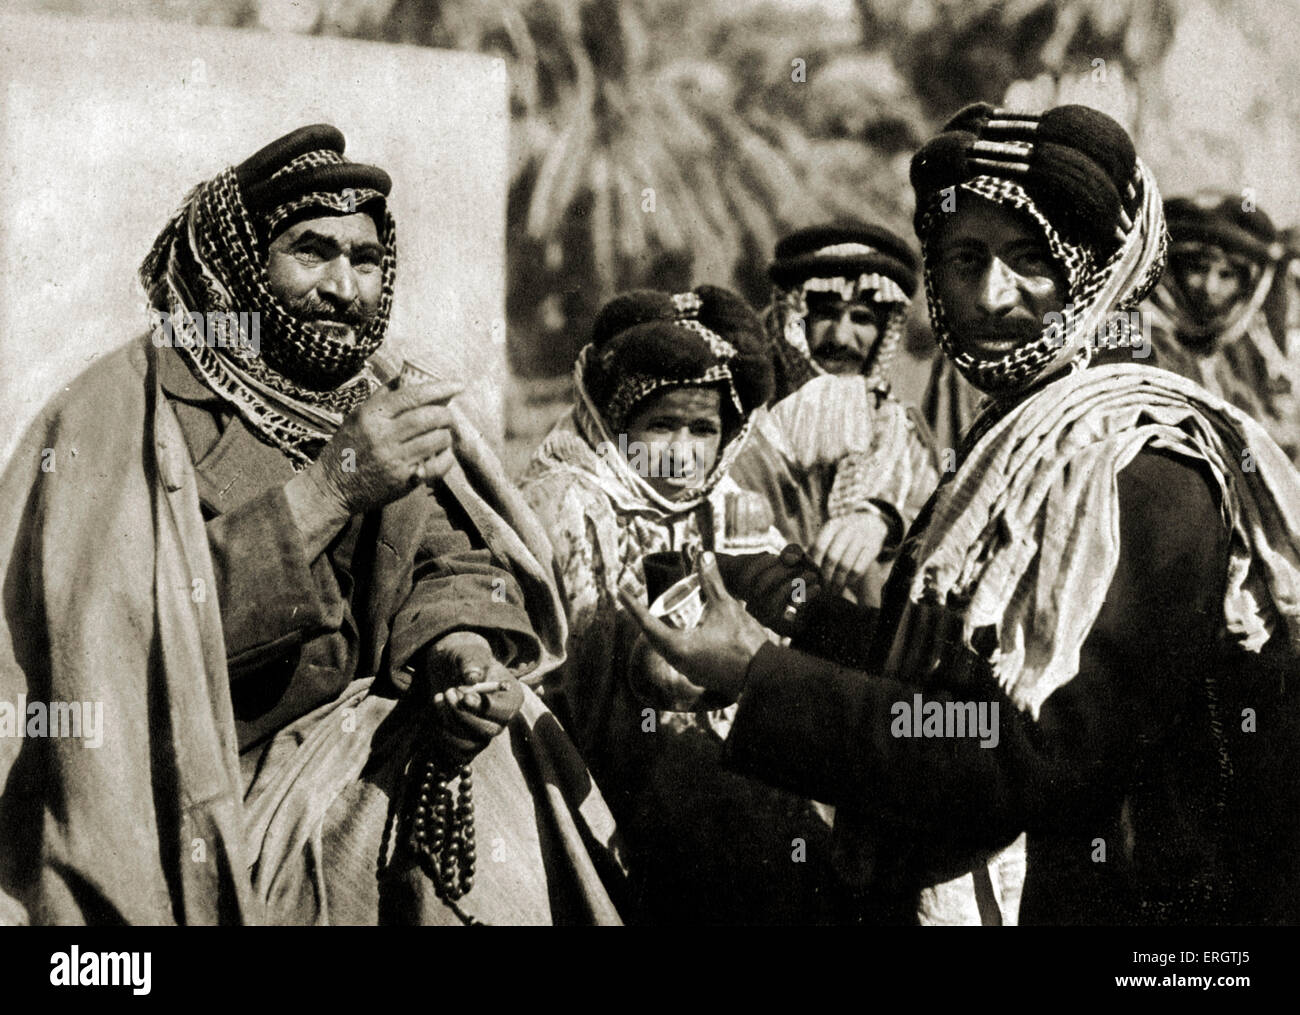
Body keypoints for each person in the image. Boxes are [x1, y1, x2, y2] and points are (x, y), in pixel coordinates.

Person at [620, 104, 1300, 925]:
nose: (990, 295)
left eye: (1031, 259)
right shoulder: (1029, 429)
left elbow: (1024, 750)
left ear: (1102, 271)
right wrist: (790, 612)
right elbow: (949, 672)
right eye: (965, 259)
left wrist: (758, 679)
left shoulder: (1141, 466)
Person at [0, 124, 623, 925]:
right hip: (193, 802)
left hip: (346, 761)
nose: (344, 287)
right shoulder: (123, 412)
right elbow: (119, 651)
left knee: (516, 741)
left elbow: (450, 554)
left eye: (365, 259)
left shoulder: (375, 393)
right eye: (312, 252)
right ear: (239, 263)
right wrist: (331, 488)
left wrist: (459, 652)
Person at [520, 287, 844, 924]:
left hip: (717, 764)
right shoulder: (564, 506)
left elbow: (785, 613)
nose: (682, 451)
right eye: (661, 425)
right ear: (615, 426)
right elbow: (566, 675)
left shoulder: (723, 503)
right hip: (594, 765)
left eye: (703, 429)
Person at [731, 223, 940, 608]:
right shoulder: (741, 417)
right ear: (796, 319)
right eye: (826, 314)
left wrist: (881, 520)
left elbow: (933, 517)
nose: (841, 338)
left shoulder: (899, 431)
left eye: (861, 318)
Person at [1145, 191, 1300, 463]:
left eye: (1226, 275)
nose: (1210, 287)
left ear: (1246, 285)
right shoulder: (1146, 339)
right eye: (1197, 269)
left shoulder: (1237, 347)